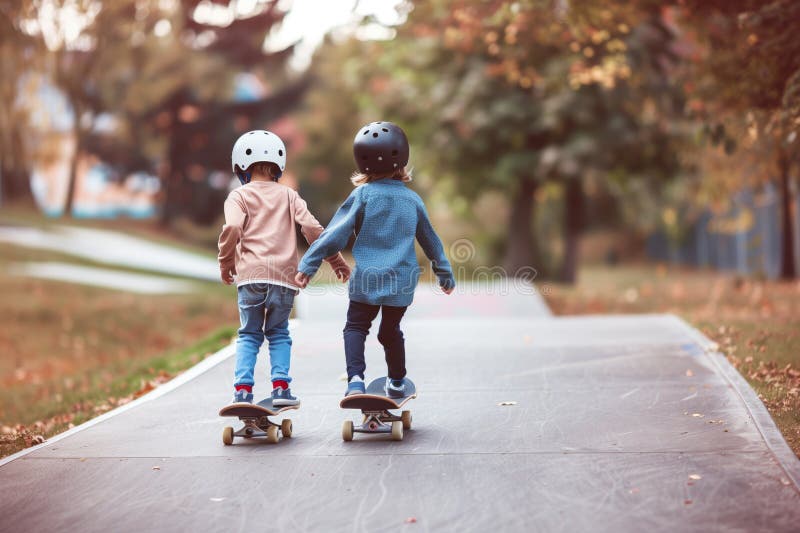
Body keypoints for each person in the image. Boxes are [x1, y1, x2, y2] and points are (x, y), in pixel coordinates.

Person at [294, 122, 454, 398]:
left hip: (367, 278)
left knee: (355, 328)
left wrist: (309, 263)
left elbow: (335, 234)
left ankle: (355, 380)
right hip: (401, 281)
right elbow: (431, 240)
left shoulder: (363, 195)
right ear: (402, 160)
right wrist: (445, 273)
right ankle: (397, 382)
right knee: (389, 331)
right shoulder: (412, 200)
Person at [218, 130, 350, 405]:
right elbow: (313, 228)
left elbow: (231, 227)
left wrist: (226, 261)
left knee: (249, 335)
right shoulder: (290, 196)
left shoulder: (238, 196)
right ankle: (280, 389)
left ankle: (242, 391)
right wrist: (335, 260)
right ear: (279, 165)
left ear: (240, 165)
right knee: (278, 333)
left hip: (250, 278)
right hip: (284, 279)